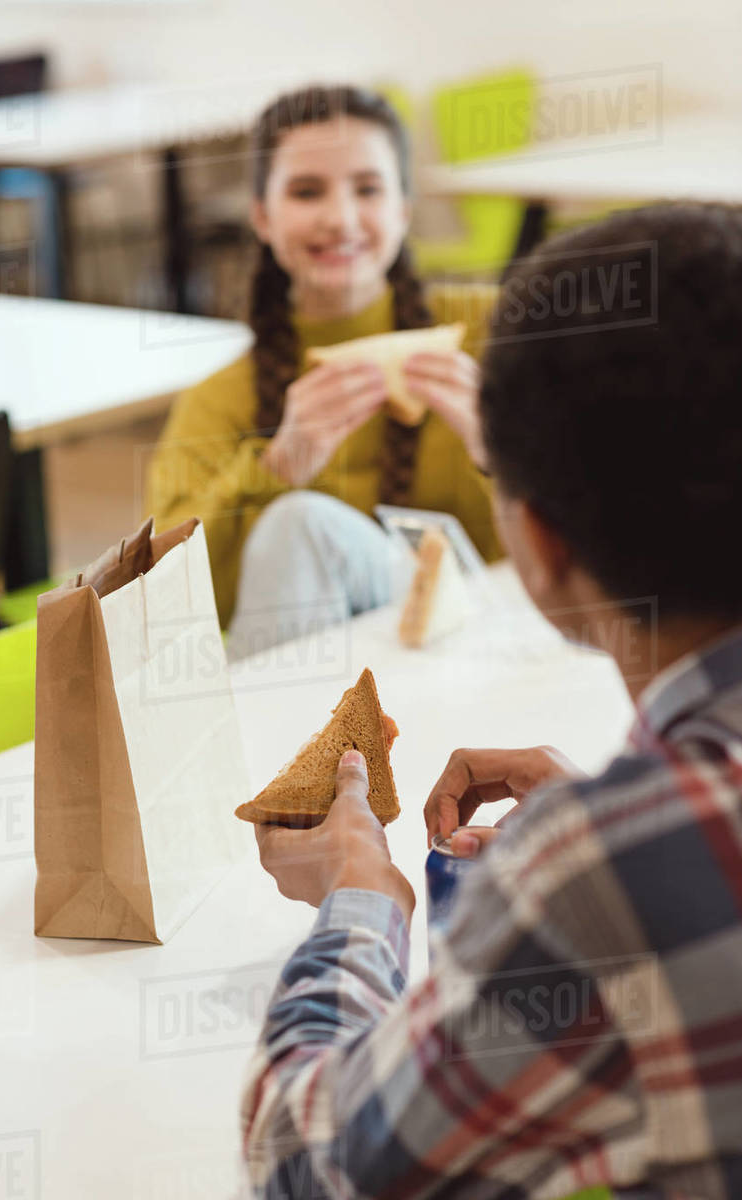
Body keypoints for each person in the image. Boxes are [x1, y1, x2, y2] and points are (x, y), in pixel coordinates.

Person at [240, 203, 742, 1196]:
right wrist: (619, 818)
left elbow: (306, 1162)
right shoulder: (620, 849)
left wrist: (361, 901)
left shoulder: (591, 877)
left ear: (540, 547)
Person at [145, 85, 501, 657]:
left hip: (486, 635)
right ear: (261, 216)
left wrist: (497, 447)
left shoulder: (488, 332)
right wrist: (275, 466)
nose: (340, 218)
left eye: (368, 189)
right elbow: (159, 602)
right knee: (300, 523)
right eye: (307, 192)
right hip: (330, 671)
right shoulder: (218, 398)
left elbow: (585, 535)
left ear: (403, 209)